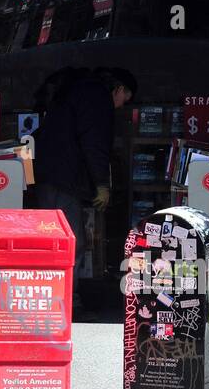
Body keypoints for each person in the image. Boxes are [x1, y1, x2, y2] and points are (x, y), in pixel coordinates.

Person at [32, 66, 138, 302]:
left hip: (52, 173)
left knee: (54, 238)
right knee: (68, 240)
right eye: (124, 99)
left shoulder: (76, 91)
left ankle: (56, 297)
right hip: (62, 179)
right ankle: (65, 301)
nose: (121, 106)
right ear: (118, 89)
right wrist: (102, 184)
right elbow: (94, 144)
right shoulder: (97, 99)